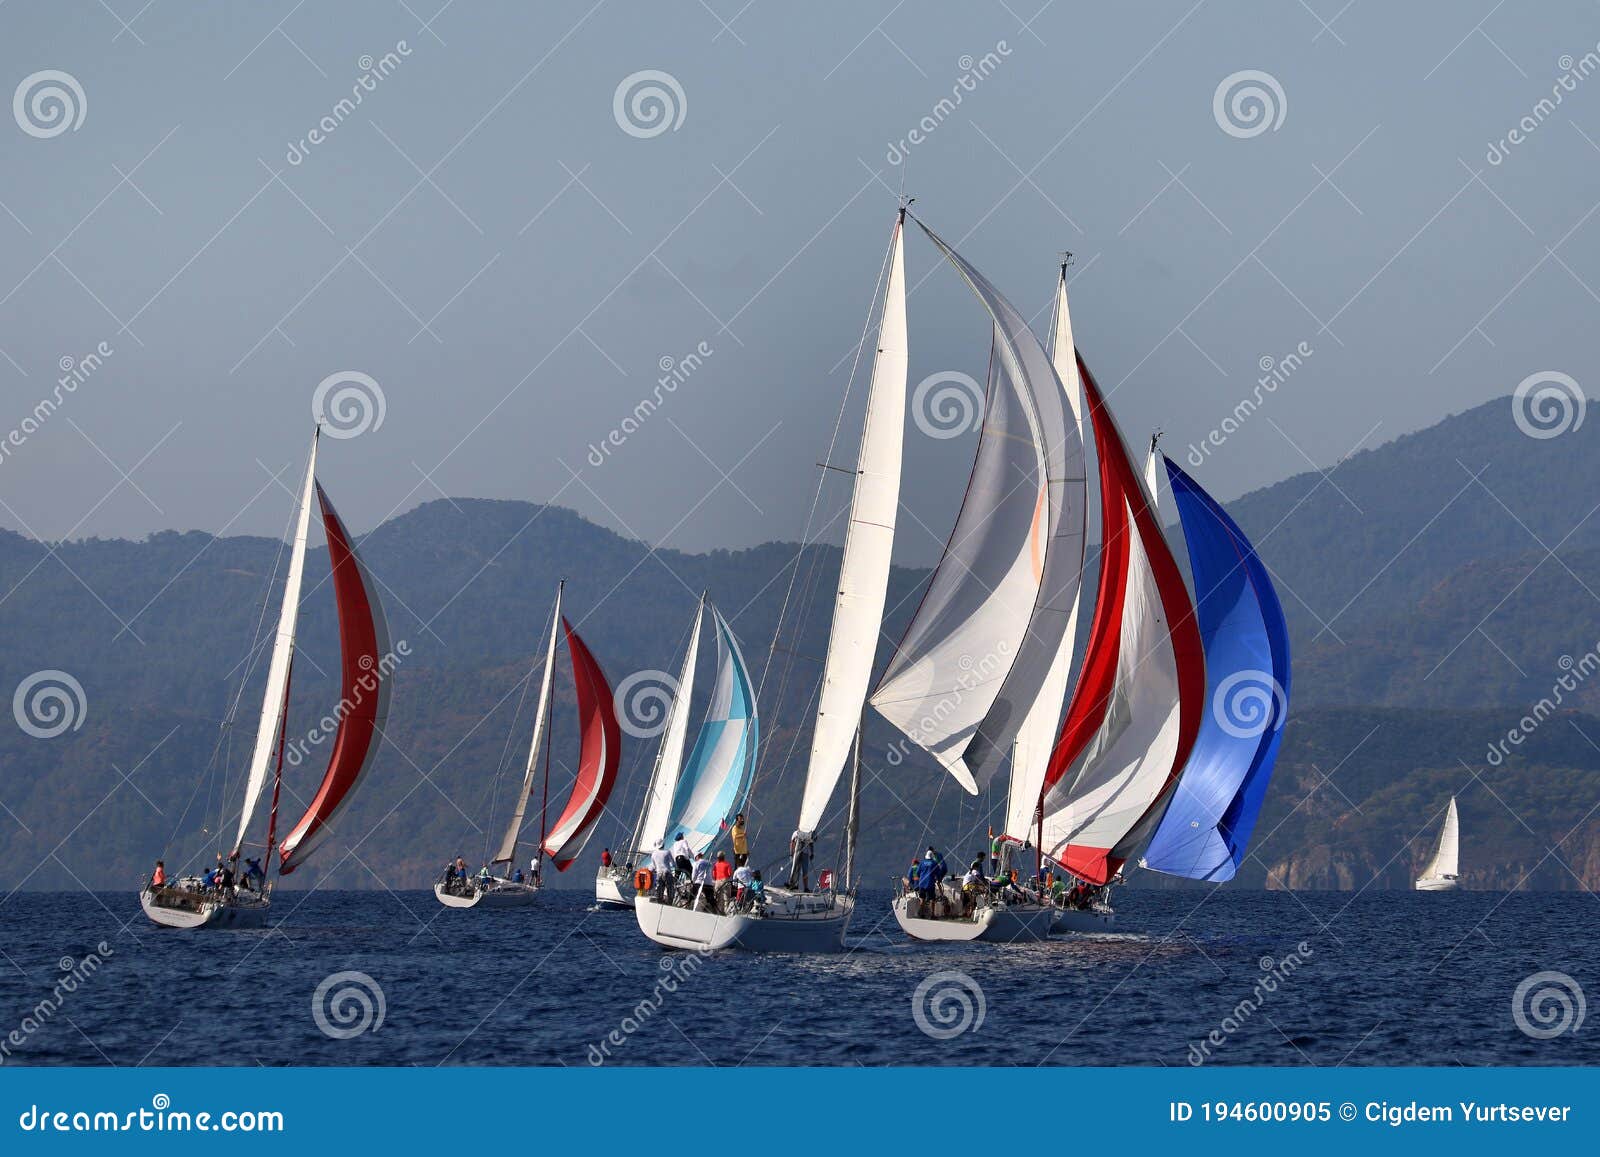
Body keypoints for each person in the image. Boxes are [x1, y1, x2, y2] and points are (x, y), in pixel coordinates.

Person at [649, 840, 675, 904]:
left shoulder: (653, 854)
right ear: (663, 845)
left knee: (660, 890)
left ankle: (660, 903)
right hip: (667, 873)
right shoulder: (667, 852)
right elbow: (673, 863)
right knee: (670, 889)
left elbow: (654, 866)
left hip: (659, 874)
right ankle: (669, 903)